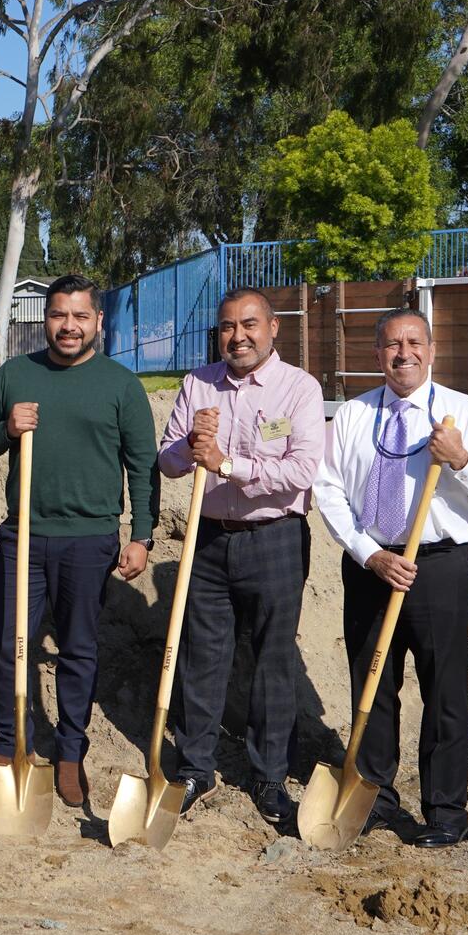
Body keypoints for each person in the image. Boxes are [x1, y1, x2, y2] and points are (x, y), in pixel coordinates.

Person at [312, 309, 468, 848]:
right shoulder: (353, 415)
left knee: (444, 691)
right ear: (376, 354)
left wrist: (461, 460)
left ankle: (446, 811)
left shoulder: (465, 413)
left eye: (413, 343)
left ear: (430, 350)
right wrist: (368, 554)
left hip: (438, 569)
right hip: (371, 568)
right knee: (373, 686)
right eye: (391, 344)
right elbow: (327, 489)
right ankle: (376, 798)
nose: (403, 353)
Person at [0, 275, 158, 808]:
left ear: (97, 321)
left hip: (90, 540)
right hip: (23, 535)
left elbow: (142, 465)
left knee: (78, 647)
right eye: (58, 315)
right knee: (6, 642)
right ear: (44, 319)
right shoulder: (15, 374)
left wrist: (141, 535)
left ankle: (70, 751)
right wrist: (7, 428)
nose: (68, 326)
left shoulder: (121, 385)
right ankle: (9, 745)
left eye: (80, 316)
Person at [155, 288, 326, 824]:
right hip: (208, 539)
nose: (238, 336)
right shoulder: (198, 384)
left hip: (275, 538)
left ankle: (269, 775)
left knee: (273, 658)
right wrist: (191, 444)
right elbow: (168, 462)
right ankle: (195, 768)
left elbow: (302, 471)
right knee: (202, 656)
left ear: (273, 328)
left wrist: (228, 465)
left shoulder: (299, 388)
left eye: (249, 324)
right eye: (228, 326)